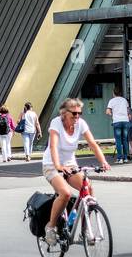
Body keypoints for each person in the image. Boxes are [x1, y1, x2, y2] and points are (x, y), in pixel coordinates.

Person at [42, 97, 110, 245]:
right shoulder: (56, 123)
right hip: (52, 164)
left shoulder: (81, 124)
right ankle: (51, 226)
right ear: (64, 113)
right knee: (65, 193)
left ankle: (84, 231)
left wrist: (103, 161)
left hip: (70, 165)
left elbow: (92, 143)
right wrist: (58, 166)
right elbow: (53, 146)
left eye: (80, 113)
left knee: (88, 190)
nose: (77, 116)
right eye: (74, 113)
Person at [106, 89, 132, 165]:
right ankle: (126, 158)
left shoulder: (112, 101)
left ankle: (120, 158)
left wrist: (112, 115)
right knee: (125, 140)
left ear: (114, 93)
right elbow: (128, 111)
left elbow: (107, 112)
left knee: (118, 141)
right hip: (125, 121)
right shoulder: (124, 100)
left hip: (117, 121)